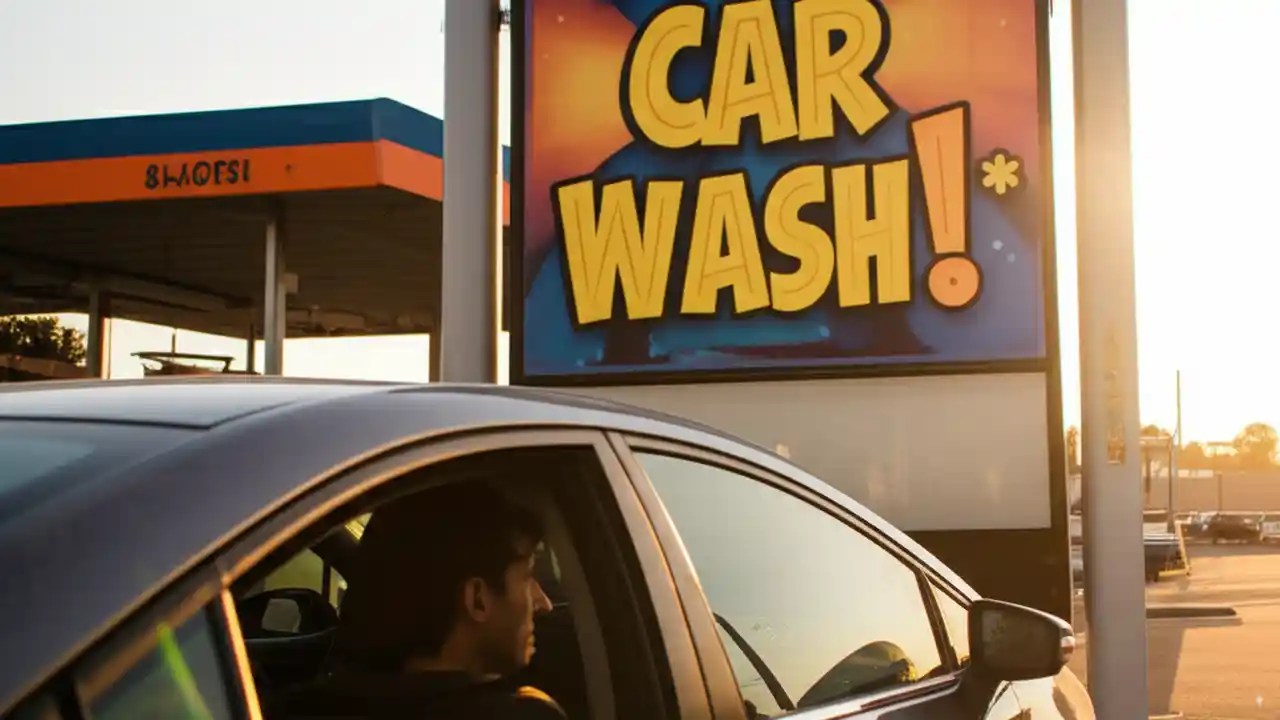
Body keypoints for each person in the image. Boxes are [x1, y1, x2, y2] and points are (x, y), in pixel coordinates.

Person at [273, 482, 565, 719]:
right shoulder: (526, 715)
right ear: (478, 600)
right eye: (527, 579)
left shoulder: (297, 708)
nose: (544, 603)